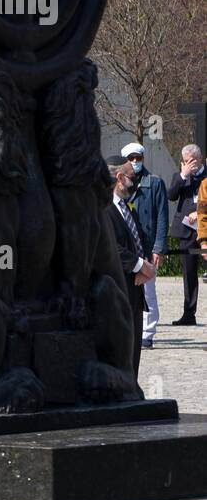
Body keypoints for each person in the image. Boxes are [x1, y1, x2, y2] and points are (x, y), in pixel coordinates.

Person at [107, 158, 154, 379]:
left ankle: (131, 389)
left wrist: (144, 268)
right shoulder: (104, 208)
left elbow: (138, 239)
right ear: (119, 178)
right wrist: (139, 265)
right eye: (132, 178)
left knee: (134, 350)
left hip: (134, 289)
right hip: (117, 289)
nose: (134, 182)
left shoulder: (126, 206)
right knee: (120, 350)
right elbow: (110, 245)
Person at [122, 142, 168, 349]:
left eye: (138, 158)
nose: (134, 162)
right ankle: (128, 330)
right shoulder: (121, 183)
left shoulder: (155, 183)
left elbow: (161, 216)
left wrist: (159, 247)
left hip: (147, 245)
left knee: (148, 291)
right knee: (125, 290)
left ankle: (147, 333)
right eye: (130, 159)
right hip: (127, 245)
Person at [166, 144, 206, 327]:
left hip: (204, 228)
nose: (189, 164)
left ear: (200, 158)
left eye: (192, 161)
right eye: (185, 161)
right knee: (188, 273)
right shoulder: (180, 177)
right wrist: (183, 175)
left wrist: (198, 214)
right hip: (187, 232)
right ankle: (189, 314)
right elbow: (171, 195)